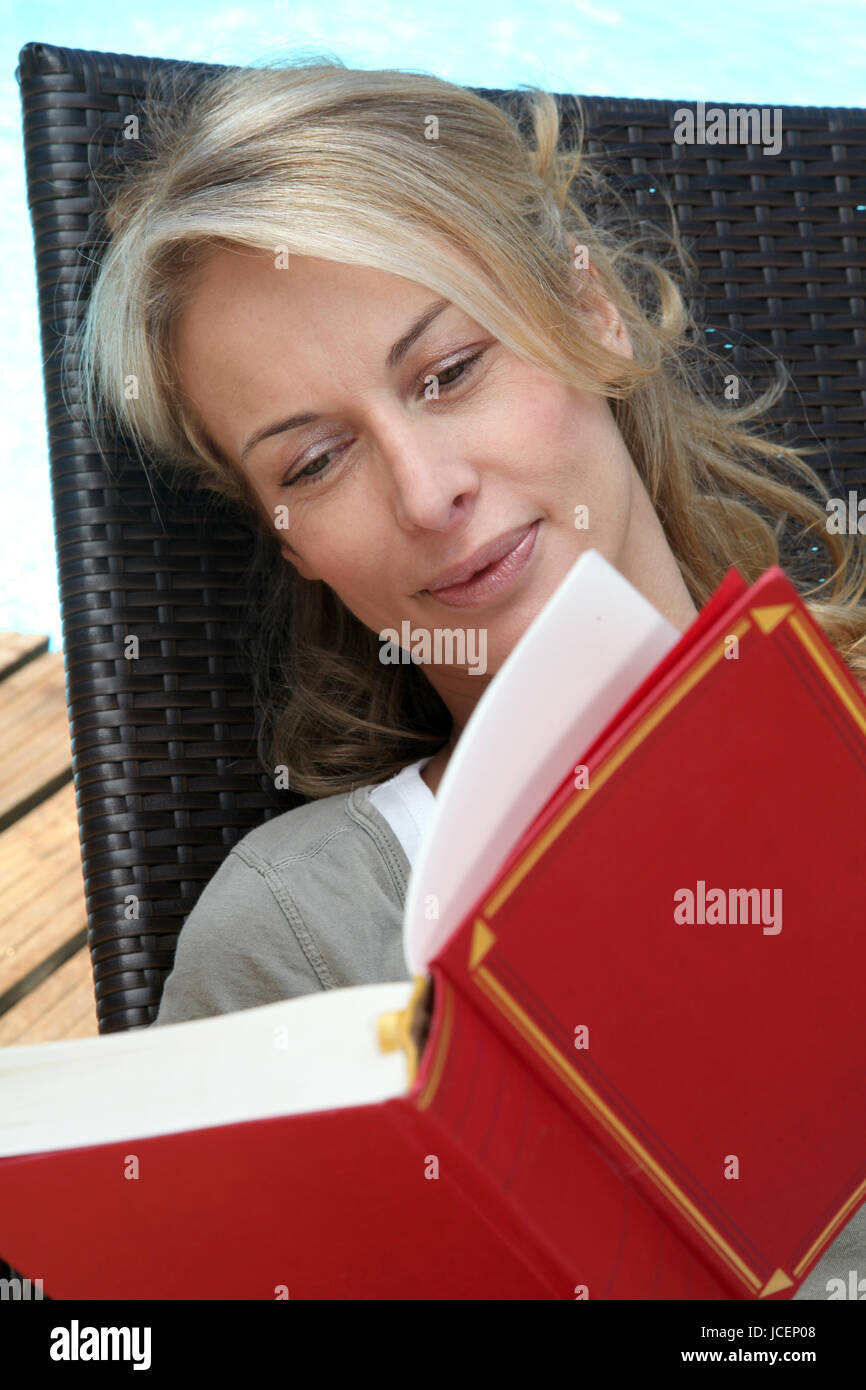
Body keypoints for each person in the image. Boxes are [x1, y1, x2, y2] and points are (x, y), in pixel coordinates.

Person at [75, 59, 865, 1300]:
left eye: (447, 372)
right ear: (290, 539)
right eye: (319, 460)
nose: (426, 489)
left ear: (588, 310)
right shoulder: (302, 933)